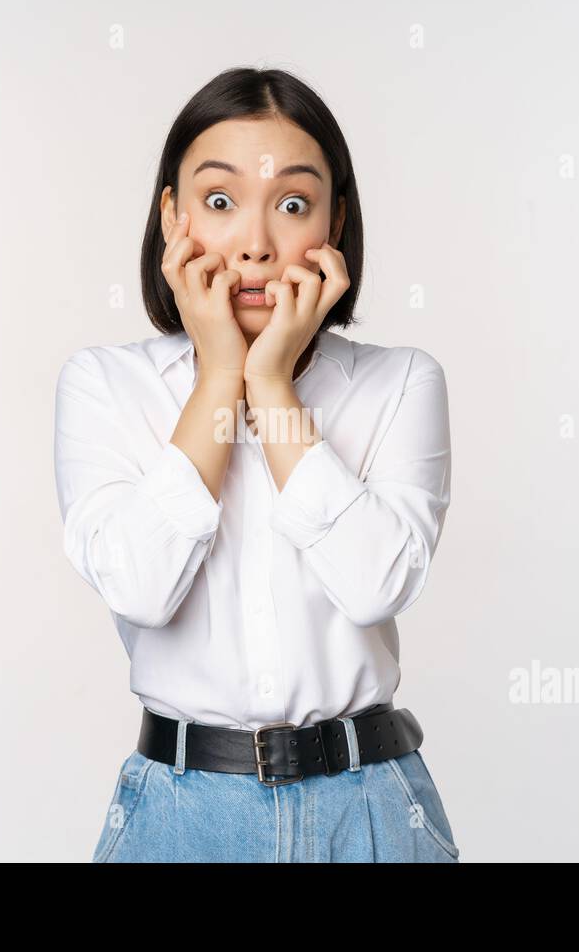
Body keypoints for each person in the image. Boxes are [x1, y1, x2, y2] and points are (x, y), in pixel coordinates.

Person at [54, 67, 457, 862]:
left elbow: (378, 584)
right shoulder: (106, 384)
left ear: (335, 222)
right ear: (171, 217)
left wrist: (269, 382)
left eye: (294, 204)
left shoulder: (402, 381)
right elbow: (139, 588)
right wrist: (217, 376)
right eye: (219, 201)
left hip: (371, 806)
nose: (256, 243)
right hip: (181, 811)